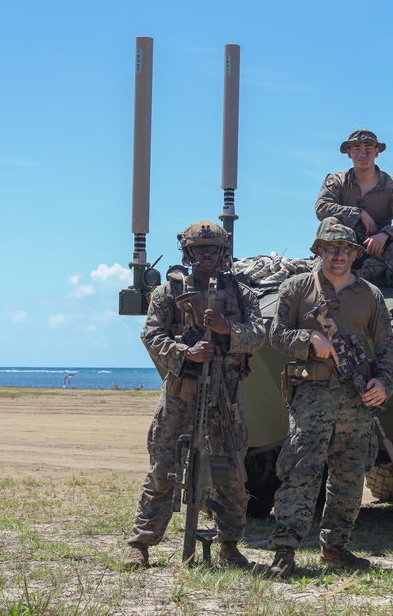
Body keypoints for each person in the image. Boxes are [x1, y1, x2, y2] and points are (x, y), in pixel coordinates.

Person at [124, 221, 266, 569]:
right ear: (187, 253)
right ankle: (141, 544)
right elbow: (151, 336)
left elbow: (259, 334)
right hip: (181, 394)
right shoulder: (168, 293)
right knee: (164, 468)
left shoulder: (242, 294)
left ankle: (229, 545)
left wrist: (228, 329)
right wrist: (185, 353)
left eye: (213, 249)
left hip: (224, 396)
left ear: (223, 252)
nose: (207, 256)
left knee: (228, 471)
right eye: (199, 249)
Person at [266, 222, 393, 578]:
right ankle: (285, 549)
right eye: (331, 248)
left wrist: (383, 383)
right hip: (312, 395)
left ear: (355, 254)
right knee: (301, 470)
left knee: (349, 477)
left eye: (345, 249)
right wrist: (308, 339)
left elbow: (386, 348)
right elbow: (276, 335)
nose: (339, 254)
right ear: (320, 251)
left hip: (356, 399)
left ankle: (335, 547)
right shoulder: (297, 287)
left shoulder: (370, 295)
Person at [315, 129, 393, 282]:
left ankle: (360, 276)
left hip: (377, 252)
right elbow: (322, 207)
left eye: (368, 149)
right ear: (349, 153)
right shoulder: (337, 181)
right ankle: (322, 278)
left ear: (377, 152)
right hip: (342, 246)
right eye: (357, 149)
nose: (362, 154)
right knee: (329, 222)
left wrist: (385, 235)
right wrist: (359, 213)